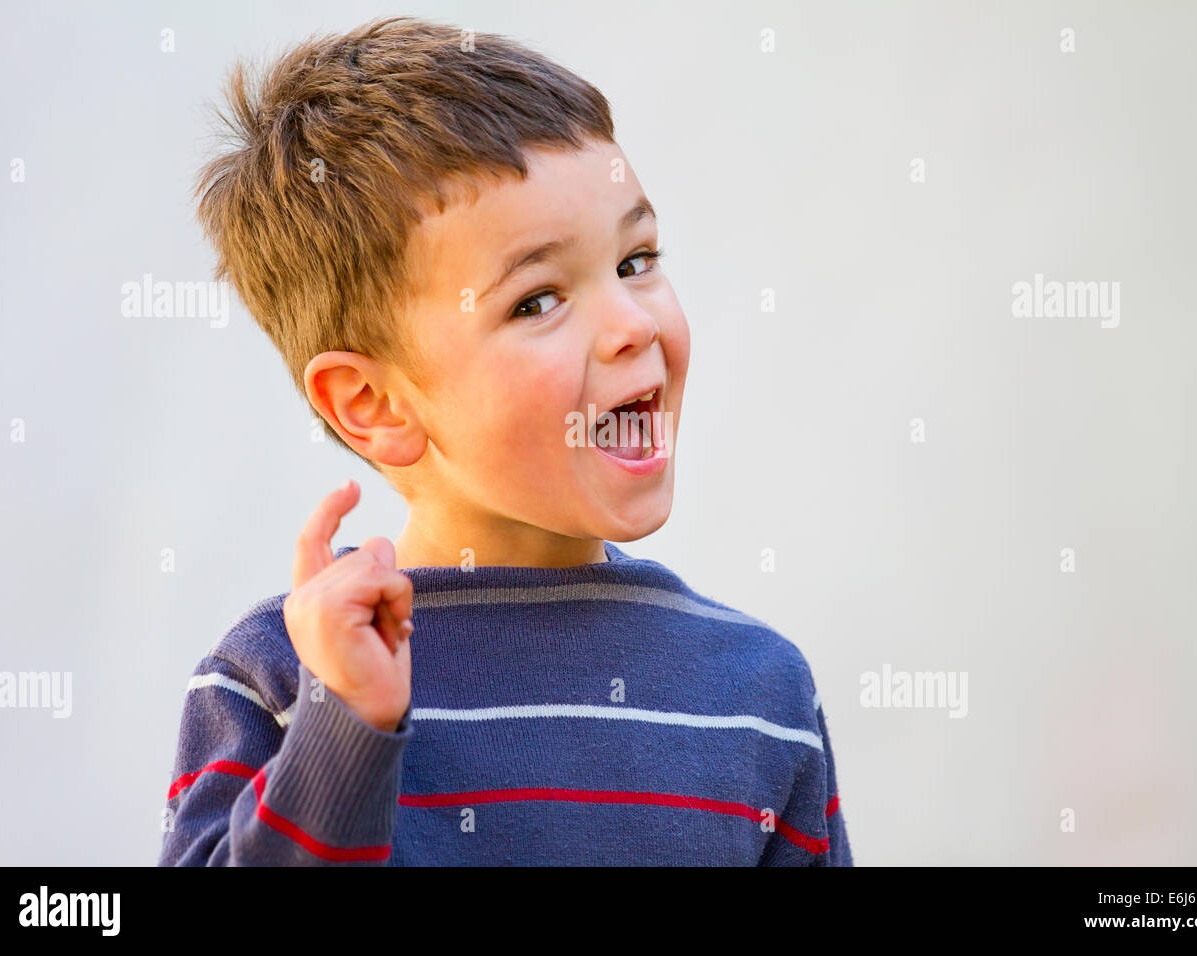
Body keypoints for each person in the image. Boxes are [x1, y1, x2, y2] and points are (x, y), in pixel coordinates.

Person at [158, 15, 852, 866]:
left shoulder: (760, 693)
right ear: (374, 402)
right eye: (537, 300)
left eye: (636, 260)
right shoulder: (283, 681)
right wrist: (345, 732)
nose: (632, 323)